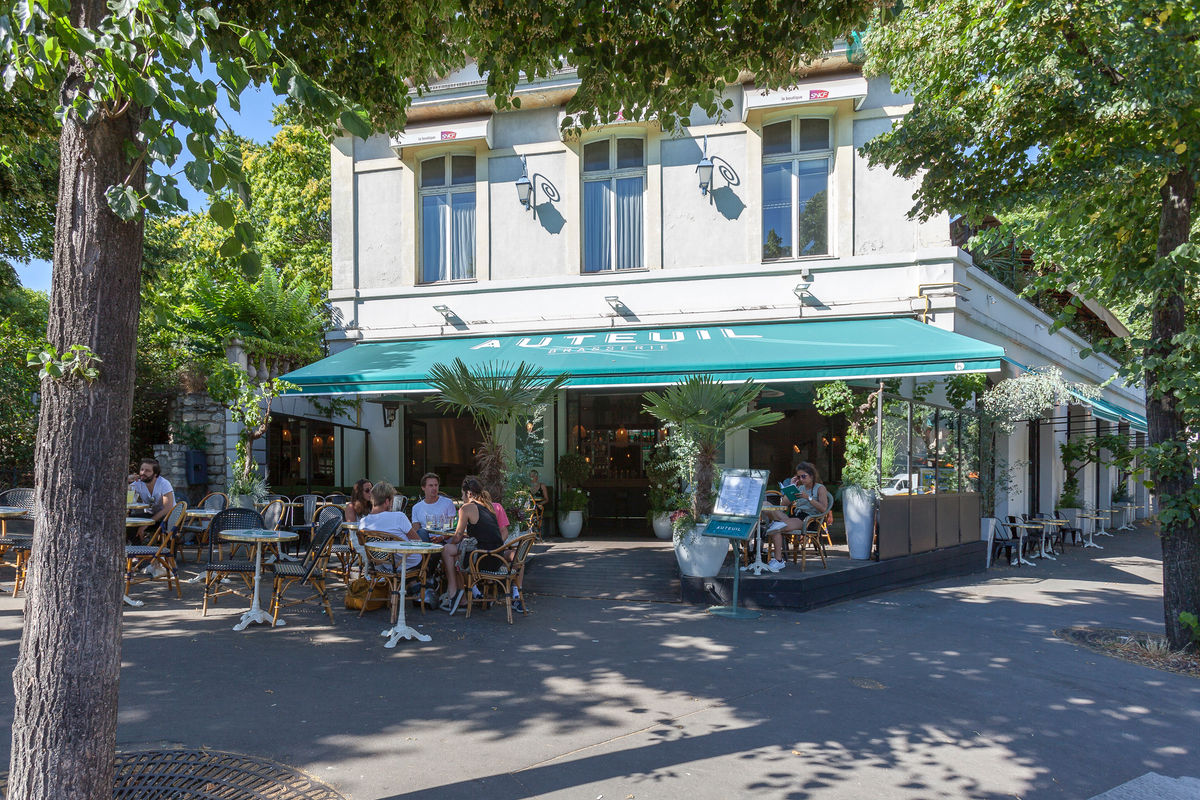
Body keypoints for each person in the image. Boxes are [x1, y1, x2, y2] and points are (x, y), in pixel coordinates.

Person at [438, 476, 506, 615]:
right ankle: (461, 597)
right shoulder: (489, 507)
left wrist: (451, 544)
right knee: (455, 557)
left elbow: (457, 536)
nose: (462, 497)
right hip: (497, 558)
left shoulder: (466, 508)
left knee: (446, 550)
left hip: (481, 559)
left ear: (468, 493)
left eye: (462, 494)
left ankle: (453, 592)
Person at [762, 462, 830, 573]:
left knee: (775, 527)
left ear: (812, 475)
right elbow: (783, 505)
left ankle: (778, 560)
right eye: (799, 477)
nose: (801, 479)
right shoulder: (800, 487)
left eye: (804, 476)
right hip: (795, 516)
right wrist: (791, 488)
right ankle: (777, 526)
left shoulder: (819, 488)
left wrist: (808, 498)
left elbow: (823, 509)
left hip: (809, 519)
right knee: (766, 504)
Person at [358, 482, 422, 577]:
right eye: (392, 500)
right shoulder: (399, 517)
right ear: (387, 501)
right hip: (407, 562)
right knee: (423, 534)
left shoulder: (363, 522)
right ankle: (425, 583)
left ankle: (409, 584)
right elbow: (418, 542)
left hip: (385, 564)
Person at [126, 457, 175, 543]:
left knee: (169, 528)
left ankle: (168, 553)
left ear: (155, 474)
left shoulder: (164, 484)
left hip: (168, 516)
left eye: (147, 471)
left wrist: (145, 525)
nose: (143, 473)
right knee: (130, 523)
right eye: (142, 470)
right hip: (151, 515)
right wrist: (127, 480)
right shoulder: (138, 483)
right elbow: (125, 495)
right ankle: (137, 552)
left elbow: (167, 508)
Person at [408, 472, 457, 538]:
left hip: (443, 540)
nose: (434, 488)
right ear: (423, 487)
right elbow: (416, 530)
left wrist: (441, 538)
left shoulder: (448, 503)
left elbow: (451, 528)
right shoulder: (416, 508)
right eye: (431, 485)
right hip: (424, 540)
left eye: (436, 485)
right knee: (421, 532)